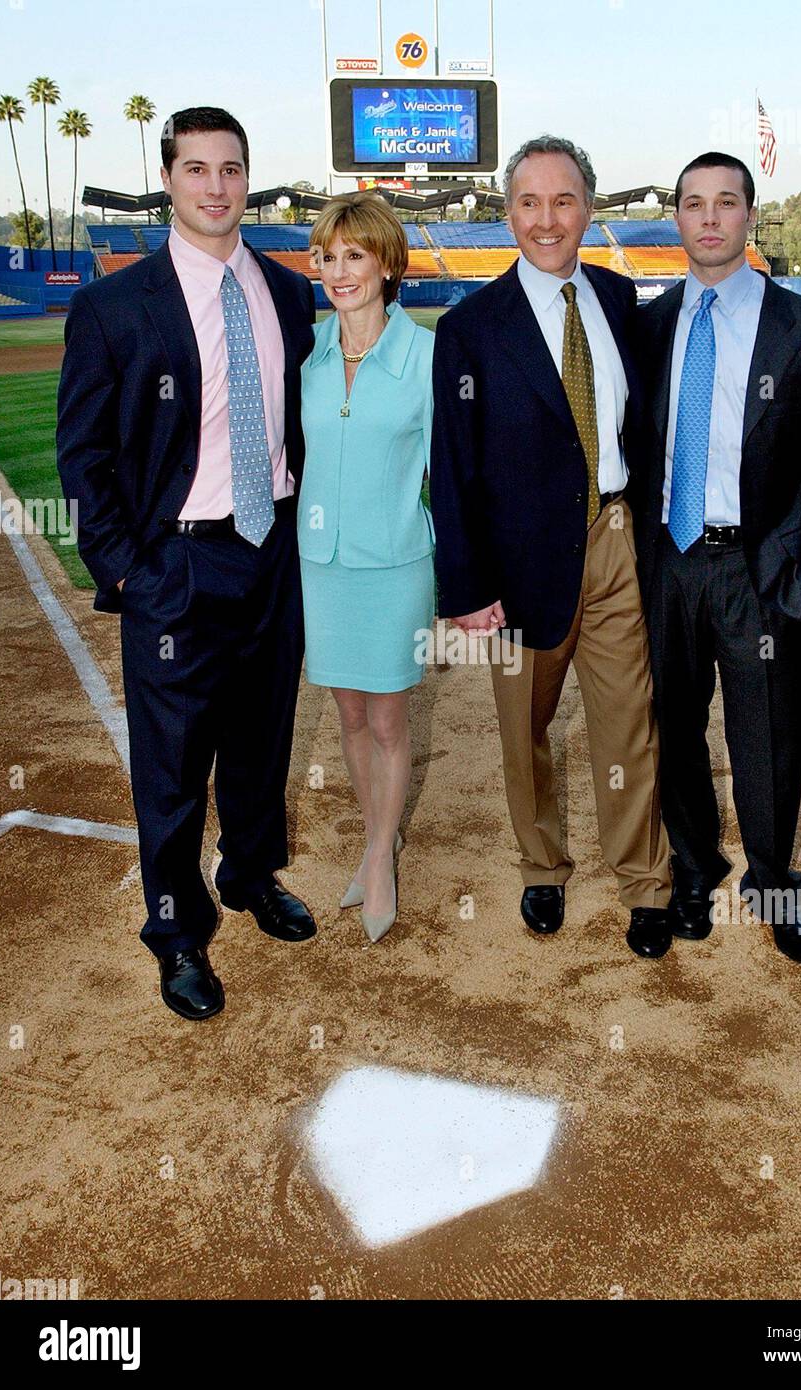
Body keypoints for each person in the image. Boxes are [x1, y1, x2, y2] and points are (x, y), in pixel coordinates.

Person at [57, 107, 318, 1021]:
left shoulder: (290, 294)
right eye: (195, 168)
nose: (214, 186)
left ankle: (250, 874)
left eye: (230, 168)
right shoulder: (113, 305)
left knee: (261, 742)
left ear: (250, 178)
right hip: (177, 564)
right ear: (167, 178)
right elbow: (82, 455)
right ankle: (175, 934)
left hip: (271, 552)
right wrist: (128, 569)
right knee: (170, 770)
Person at [430, 135, 672, 954]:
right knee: (522, 731)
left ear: (588, 209)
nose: (546, 219)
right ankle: (541, 869)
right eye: (528, 202)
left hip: (612, 539)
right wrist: (464, 589)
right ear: (507, 214)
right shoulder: (468, 328)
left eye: (562, 200)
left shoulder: (614, 292)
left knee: (627, 724)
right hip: (518, 559)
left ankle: (644, 883)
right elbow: (452, 470)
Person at [633, 151, 801, 965]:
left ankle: (770, 883)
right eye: (692, 203)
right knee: (673, 729)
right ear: (677, 218)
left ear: (748, 216)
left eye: (724, 203)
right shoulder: (650, 324)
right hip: (667, 561)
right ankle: (694, 871)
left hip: (757, 571)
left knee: (767, 737)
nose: (707, 218)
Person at [298, 193, 435, 943]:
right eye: (327, 255)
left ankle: (379, 855)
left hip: (394, 566)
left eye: (354, 254)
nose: (338, 270)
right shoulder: (311, 356)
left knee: (386, 715)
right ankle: (376, 834)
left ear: (386, 264)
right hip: (320, 566)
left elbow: (449, 473)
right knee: (348, 714)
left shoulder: (426, 358)